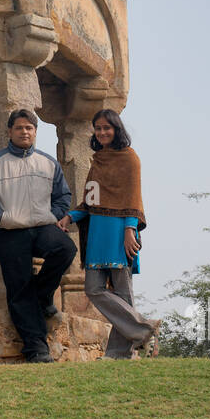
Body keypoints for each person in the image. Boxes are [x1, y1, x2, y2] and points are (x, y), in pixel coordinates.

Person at [0, 109, 78, 363]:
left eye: (29, 128)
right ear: (10, 132)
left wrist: (52, 215)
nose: (24, 132)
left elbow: (63, 196)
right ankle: (36, 348)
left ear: (35, 132)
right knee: (19, 288)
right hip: (8, 231)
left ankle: (41, 296)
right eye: (19, 128)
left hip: (42, 227)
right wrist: (1, 218)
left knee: (65, 249)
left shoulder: (48, 162)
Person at [55, 109, 160, 359]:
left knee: (122, 293)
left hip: (120, 233)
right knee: (93, 288)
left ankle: (117, 353)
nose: (102, 132)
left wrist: (129, 230)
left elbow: (133, 198)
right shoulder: (98, 160)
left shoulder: (130, 158)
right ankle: (145, 329)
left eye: (107, 128)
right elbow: (90, 202)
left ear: (117, 129)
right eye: (98, 128)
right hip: (97, 234)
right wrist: (70, 216)